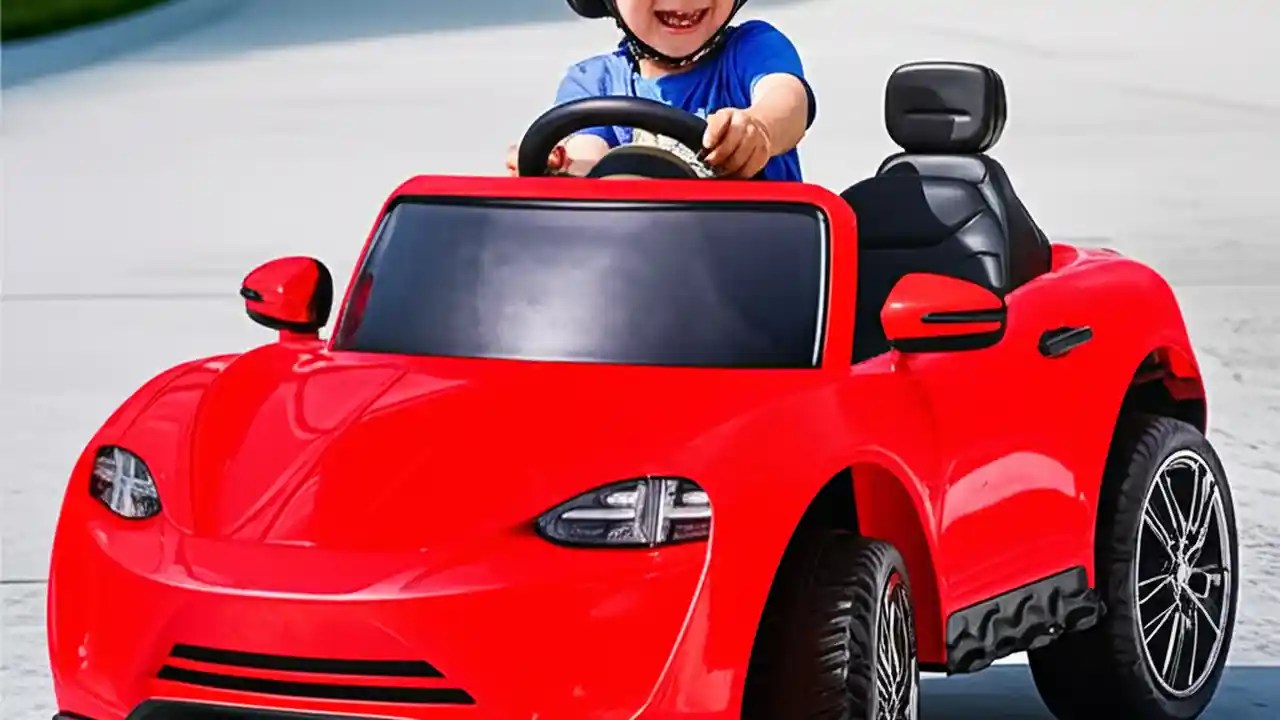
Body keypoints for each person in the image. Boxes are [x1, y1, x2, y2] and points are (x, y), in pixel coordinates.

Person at [505, 0, 816, 180]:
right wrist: (560, 166)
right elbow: (586, 156)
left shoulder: (752, 50)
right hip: (637, 263)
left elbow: (787, 100)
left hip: (759, 262)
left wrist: (760, 128)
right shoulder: (594, 83)